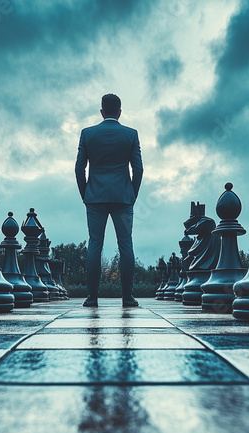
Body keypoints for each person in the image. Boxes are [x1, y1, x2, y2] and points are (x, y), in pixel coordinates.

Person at [75, 93, 143, 307]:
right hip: (123, 197)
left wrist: (85, 193)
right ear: (120, 112)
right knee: (126, 244)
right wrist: (132, 194)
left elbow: (79, 168)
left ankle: (92, 297)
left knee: (95, 243)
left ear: (102, 111)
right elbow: (138, 169)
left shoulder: (87, 134)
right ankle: (128, 297)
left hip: (95, 197)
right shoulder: (131, 134)